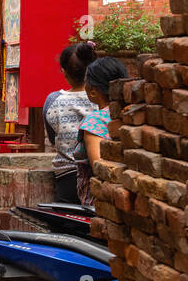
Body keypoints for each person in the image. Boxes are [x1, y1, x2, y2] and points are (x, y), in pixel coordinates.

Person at [44, 41, 97, 204]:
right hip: (96, 172)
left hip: (66, 174)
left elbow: (53, 139)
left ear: (64, 72)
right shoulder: (99, 98)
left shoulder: (53, 100)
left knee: (66, 222)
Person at [79, 55, 127, 203]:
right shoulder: (129, 113)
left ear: (93, 91)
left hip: (99, 202)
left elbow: (98, 166)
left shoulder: (95, 122)